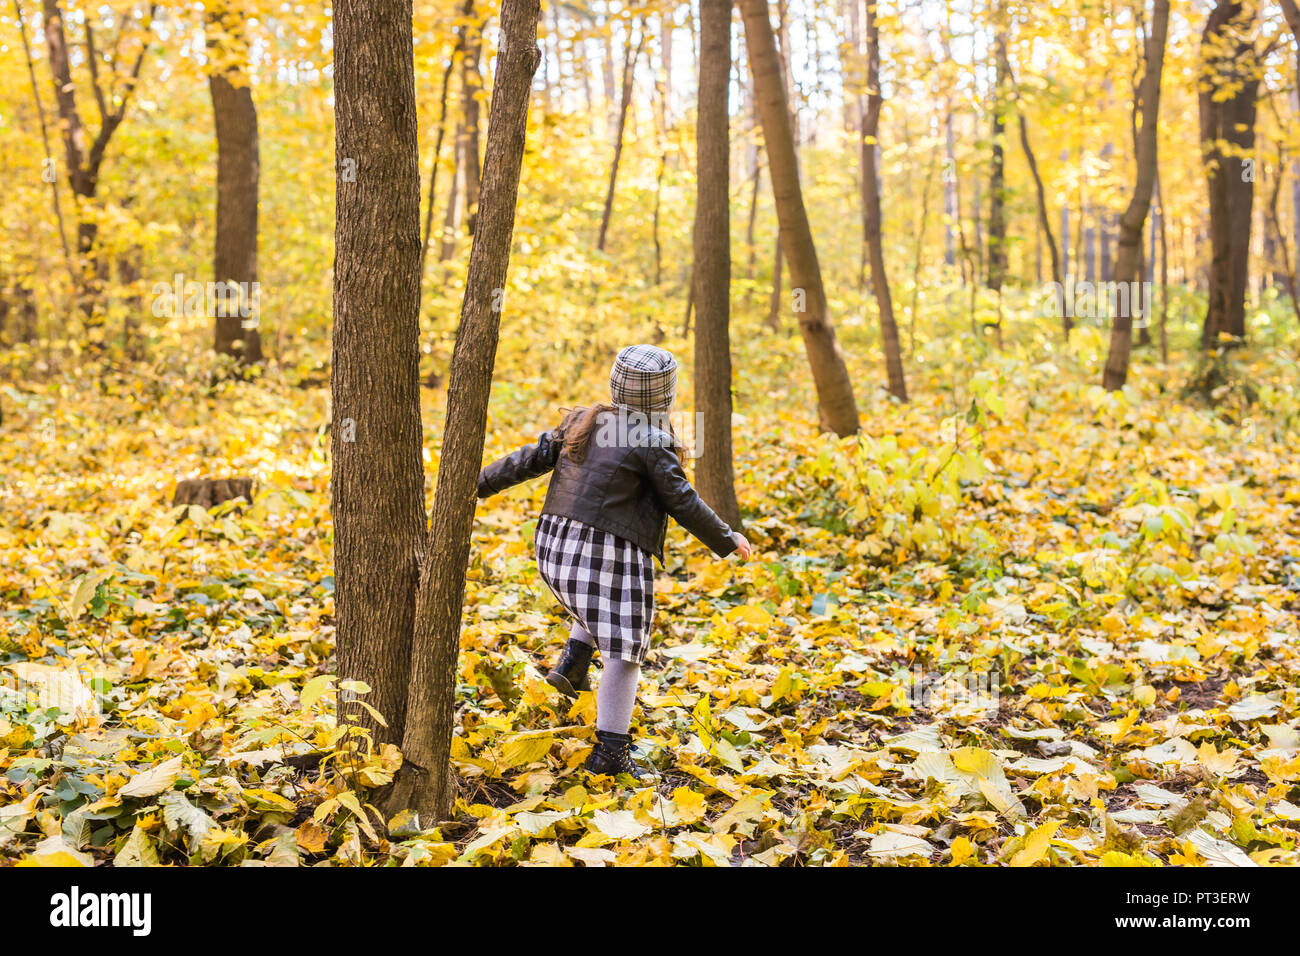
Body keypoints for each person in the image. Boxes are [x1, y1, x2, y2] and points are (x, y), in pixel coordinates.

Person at [477, 344, 751, 781]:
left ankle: (574, 662)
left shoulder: (582, 420)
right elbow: (682, 501)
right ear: (665, 396)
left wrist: (476, 483)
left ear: (615, 382)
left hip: (555, 548)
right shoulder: (654, 442)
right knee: (625, 652)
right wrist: (726, 538)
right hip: (603, 554)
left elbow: (528, 459)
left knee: (599, 600)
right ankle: (610, 752)